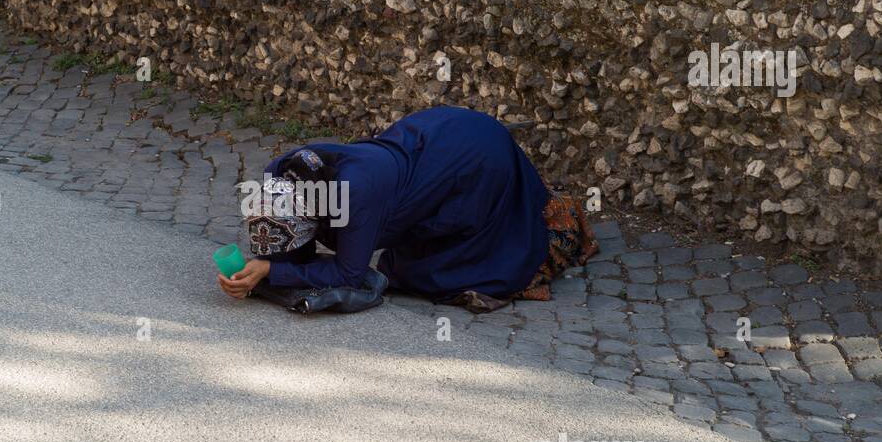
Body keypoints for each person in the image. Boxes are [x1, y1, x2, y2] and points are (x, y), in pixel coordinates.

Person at [217, 105, 598, 311]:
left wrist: (272, 270)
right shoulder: (283, 169)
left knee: (432, 272)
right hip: (435, 132)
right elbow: (283, 223)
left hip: (476, 157)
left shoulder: (354, 196)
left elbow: (349, 273)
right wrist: (268, 261)